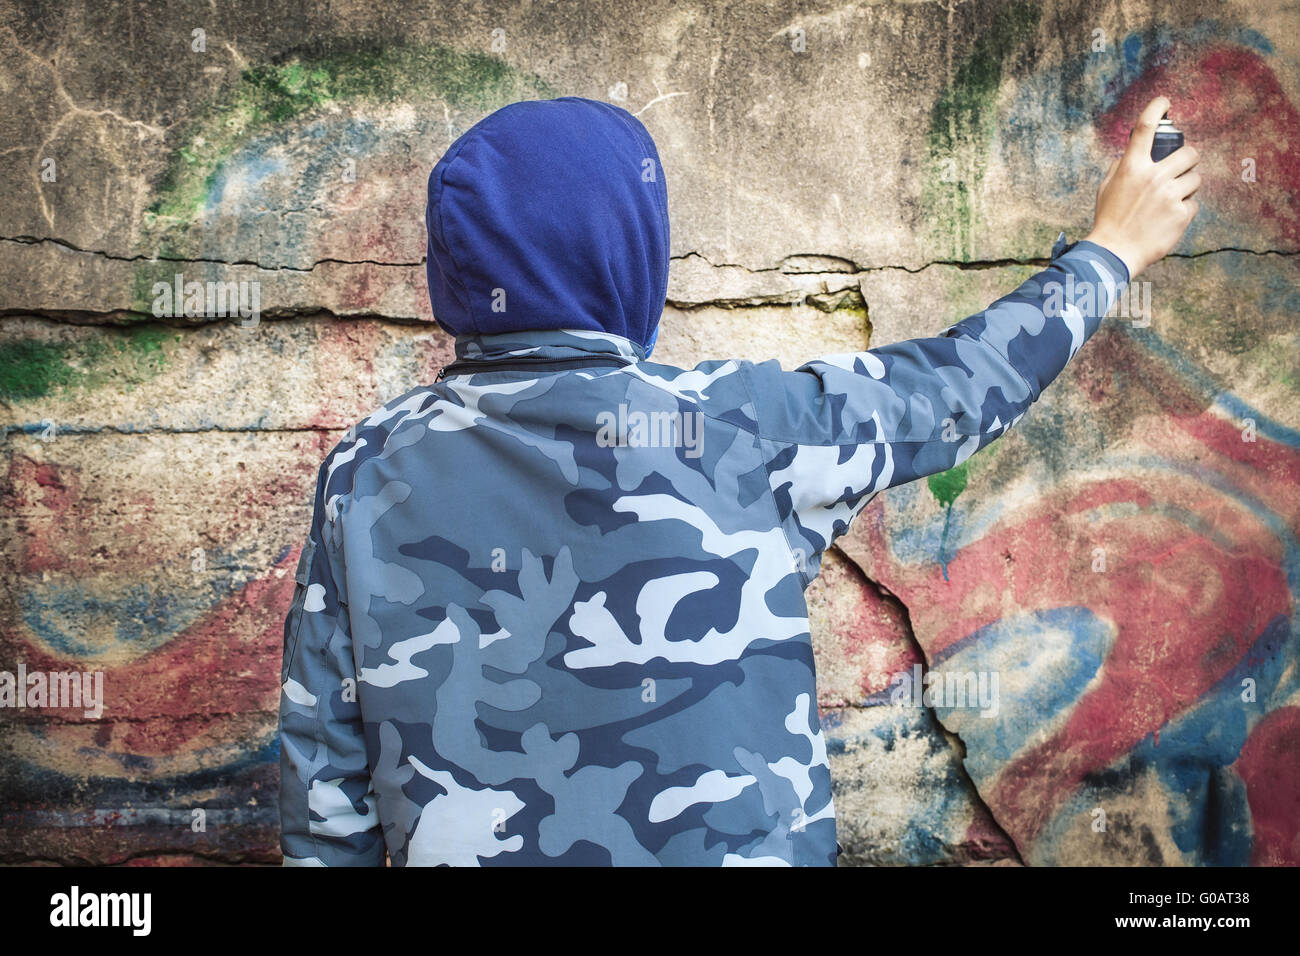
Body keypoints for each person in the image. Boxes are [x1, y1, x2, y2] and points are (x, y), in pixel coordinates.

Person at [279, 94, 1199, 866]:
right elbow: (957, 389)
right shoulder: (740, 428)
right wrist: (1110, 249)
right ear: (628, 251)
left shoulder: (364, 470)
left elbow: (325, 784)